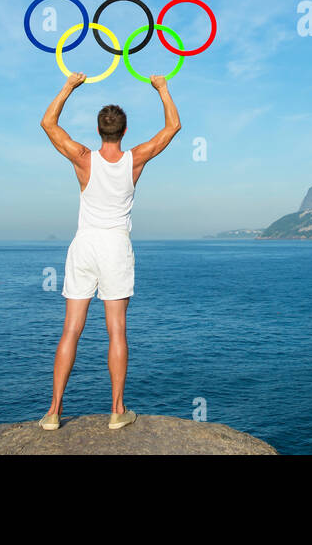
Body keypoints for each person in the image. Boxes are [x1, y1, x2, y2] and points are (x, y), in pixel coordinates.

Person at [37, 71, 181, 430]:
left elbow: (48, 123)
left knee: (71, 330)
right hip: (116, 246)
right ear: (124, 131)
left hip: (84, 245)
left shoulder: (84, 158)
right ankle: (117, 411)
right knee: (116, 330)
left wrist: (69, 86)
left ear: (100, 130)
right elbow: (173, 126)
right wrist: (162, 89)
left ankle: (54, 413)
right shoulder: (135, 159)